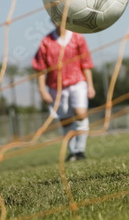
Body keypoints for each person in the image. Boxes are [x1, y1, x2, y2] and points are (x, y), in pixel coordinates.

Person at [32, 24, 95, 161]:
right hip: (57, 87)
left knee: (80, 113)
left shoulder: (78, 38)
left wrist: (90, 85)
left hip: (77, 82)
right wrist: (42, 90)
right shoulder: (46, 41)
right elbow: (40, 68)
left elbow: (86, 63)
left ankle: (80, 150)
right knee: (65, 119)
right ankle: (73, 152)